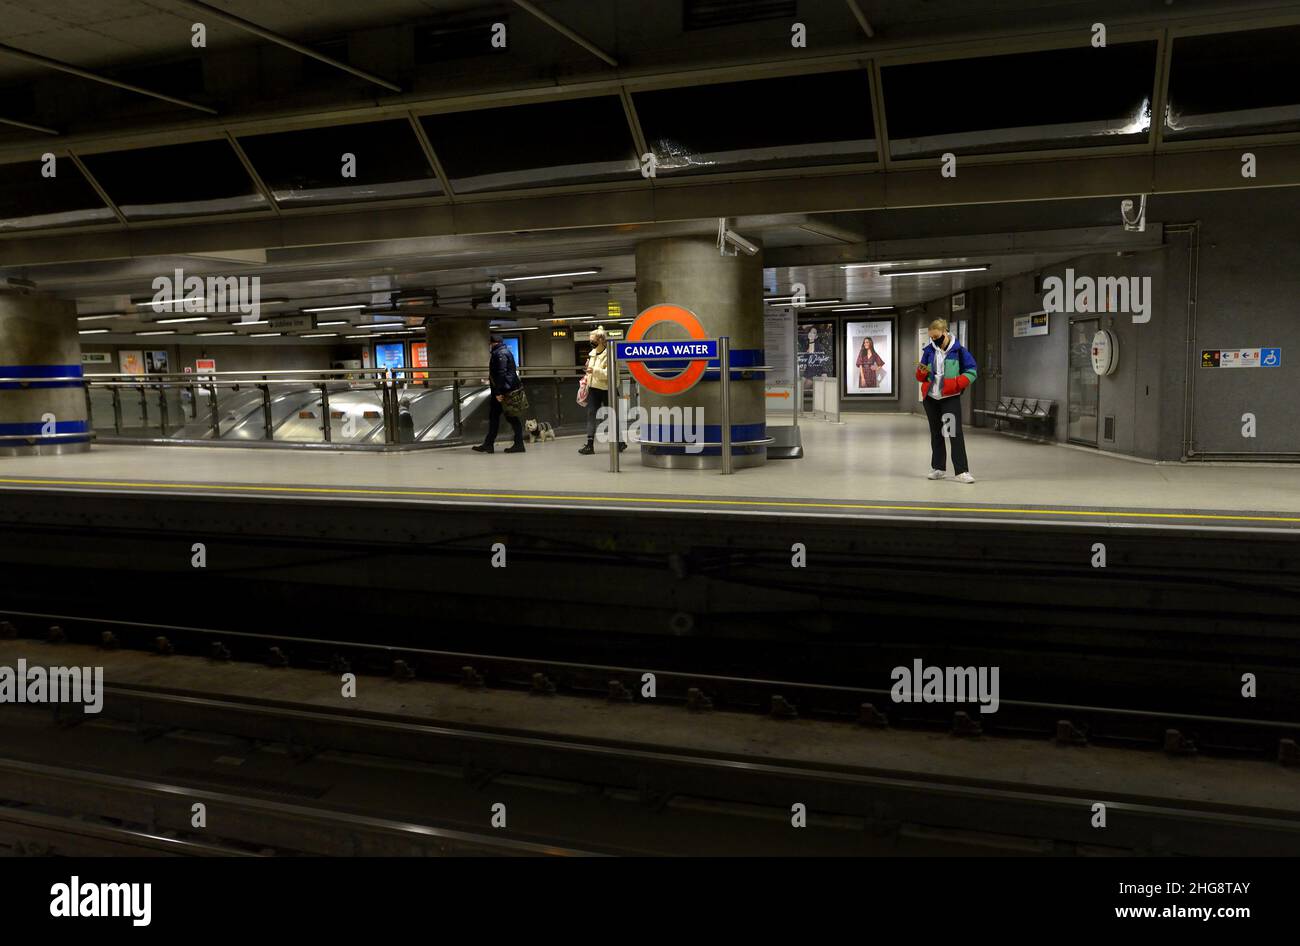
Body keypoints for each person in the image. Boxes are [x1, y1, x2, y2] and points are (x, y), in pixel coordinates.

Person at [915, 318, 977, 483]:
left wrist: (954, 384)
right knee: (936, 434)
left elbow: (972, 372)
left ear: (945, 332)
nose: (934, 340)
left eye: (936, 336)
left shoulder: (960, 351)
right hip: (931, 399)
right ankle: (938, 468)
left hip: (949, 399)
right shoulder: (929, 351)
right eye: (931, 338)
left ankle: (962, 471)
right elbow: (921, 374)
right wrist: (922, 372)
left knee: (954, 433)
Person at [473, 334, 525, 454]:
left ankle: (517, 444)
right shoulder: (504, 351)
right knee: (496, 417)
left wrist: (498, 392)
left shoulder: (499, 353)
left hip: (504, 392)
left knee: (510, 417)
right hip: (506, 390)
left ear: (493, 343)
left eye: (490, 344)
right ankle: (489, 444)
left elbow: (501, 373)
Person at [578, 326, 626, 455]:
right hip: (594, 389)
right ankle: (589, 444)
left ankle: (619, 442)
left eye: (592, 339)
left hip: (607, 389)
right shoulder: (592, 354)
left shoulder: (610, 354)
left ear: (600, 339)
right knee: (591, 414)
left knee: (612, 416)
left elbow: (609, 374)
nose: (590, 342)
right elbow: (592, 371)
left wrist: (594, 371)